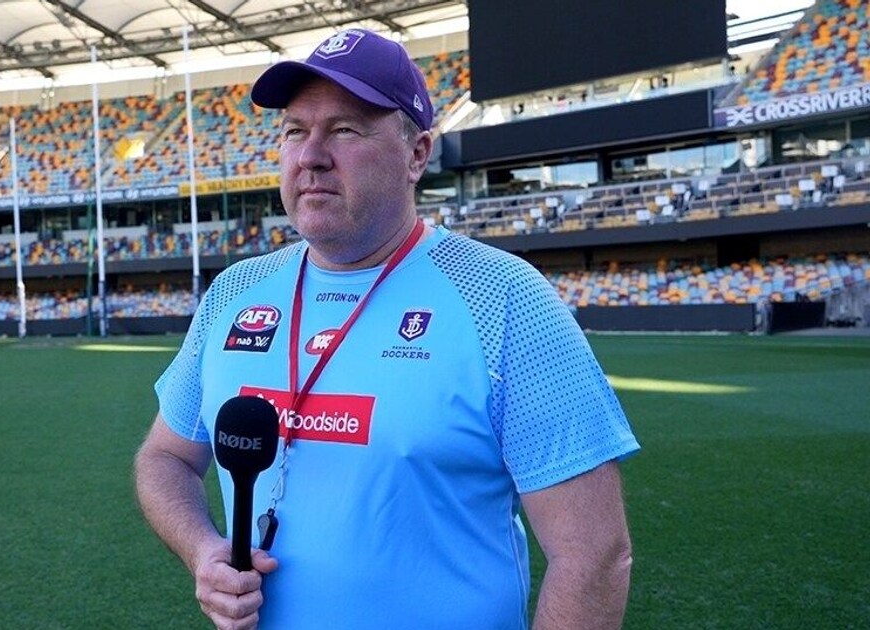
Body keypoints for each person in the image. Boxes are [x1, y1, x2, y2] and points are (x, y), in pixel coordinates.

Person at [135, 28, 639, 629]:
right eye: (295, 130)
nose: (311, 154)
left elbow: (595, 555)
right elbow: (165, 456)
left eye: (345, 129)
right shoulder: (234, 294)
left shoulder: (506, 299)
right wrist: (202, 550)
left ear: (417, 154)